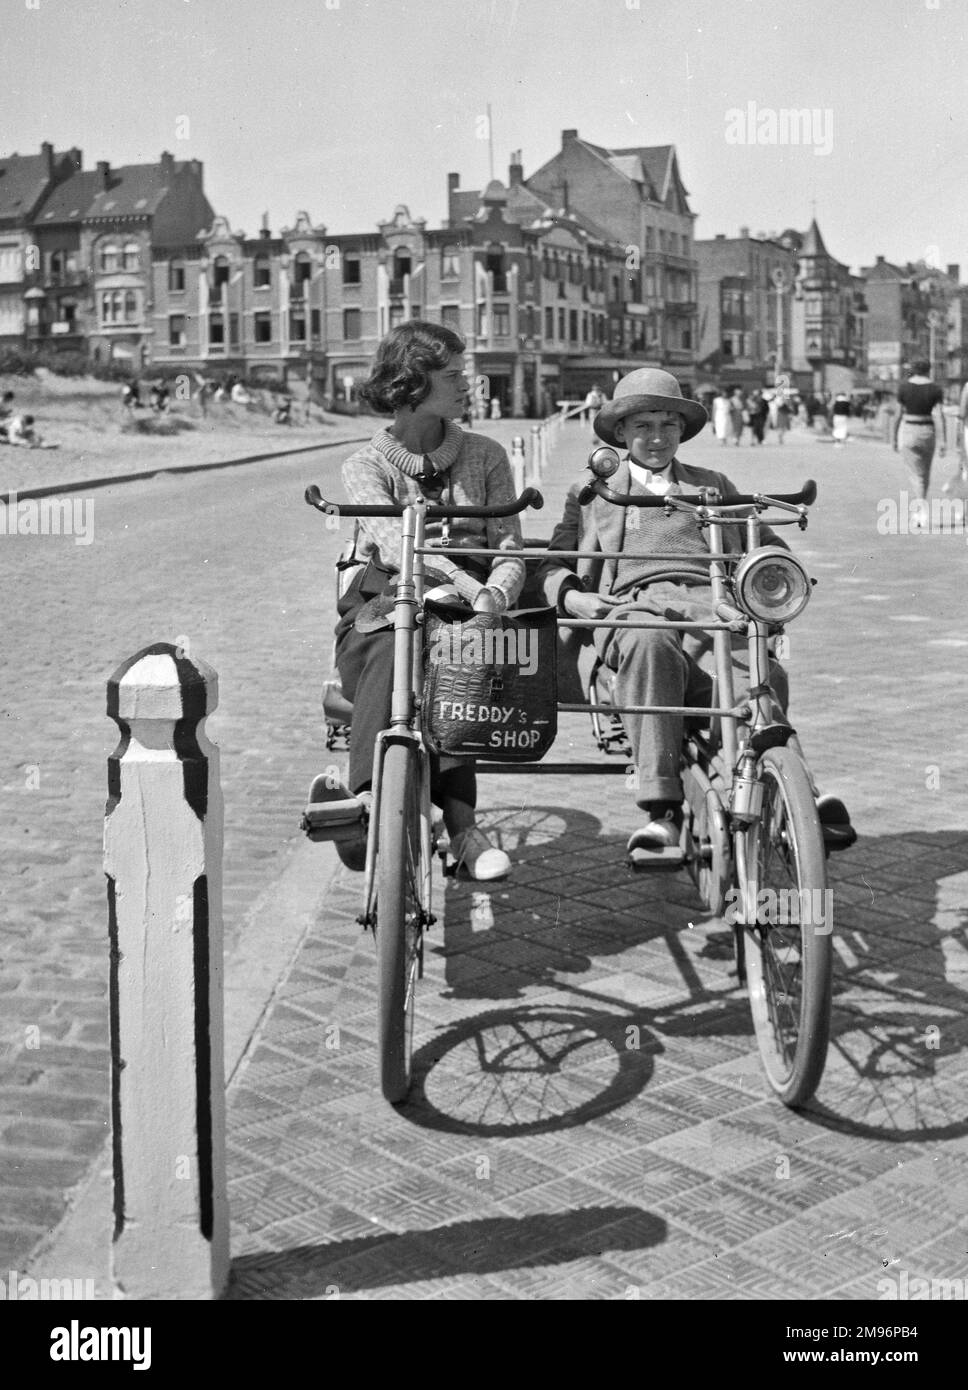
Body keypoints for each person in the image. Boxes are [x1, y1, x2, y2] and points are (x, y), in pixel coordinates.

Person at [537, 367, 853, 861]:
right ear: (620, 432)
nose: (657, 438)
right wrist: (576, 599)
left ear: (682, 431)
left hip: (714, 610)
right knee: (648, 641)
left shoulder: (712, 484)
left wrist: (777, 575)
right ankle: (662, 813)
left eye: (668, 425)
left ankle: (797, 797)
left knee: (759, 677)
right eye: (643, 427)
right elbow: (556, 562)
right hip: (633, 607)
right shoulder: (594, 490)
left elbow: (764, 542)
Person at [312, 320, 527, 881]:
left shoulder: (486, 455)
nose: (468, 386)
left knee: (458, 657)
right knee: (387, 646)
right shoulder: (365, 465)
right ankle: (367, 801)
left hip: (472, 608)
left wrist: (495, 596)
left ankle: (462, 828)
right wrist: (467, 583)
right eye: (454, 376)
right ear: (412, 384)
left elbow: (509, 546)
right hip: (387, 595)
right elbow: (396, 549)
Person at [893, 359, 946, 499]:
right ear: (929, 369)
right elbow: (939, 416)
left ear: (913, 369)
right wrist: (943, 441)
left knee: (915, 473)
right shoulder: (936, 389)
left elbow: (897, 415)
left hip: (910, 430)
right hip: (928, 432)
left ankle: (920, 508)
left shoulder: (903, 388)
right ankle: (921, 506)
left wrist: (893, 438)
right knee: (925, 473)